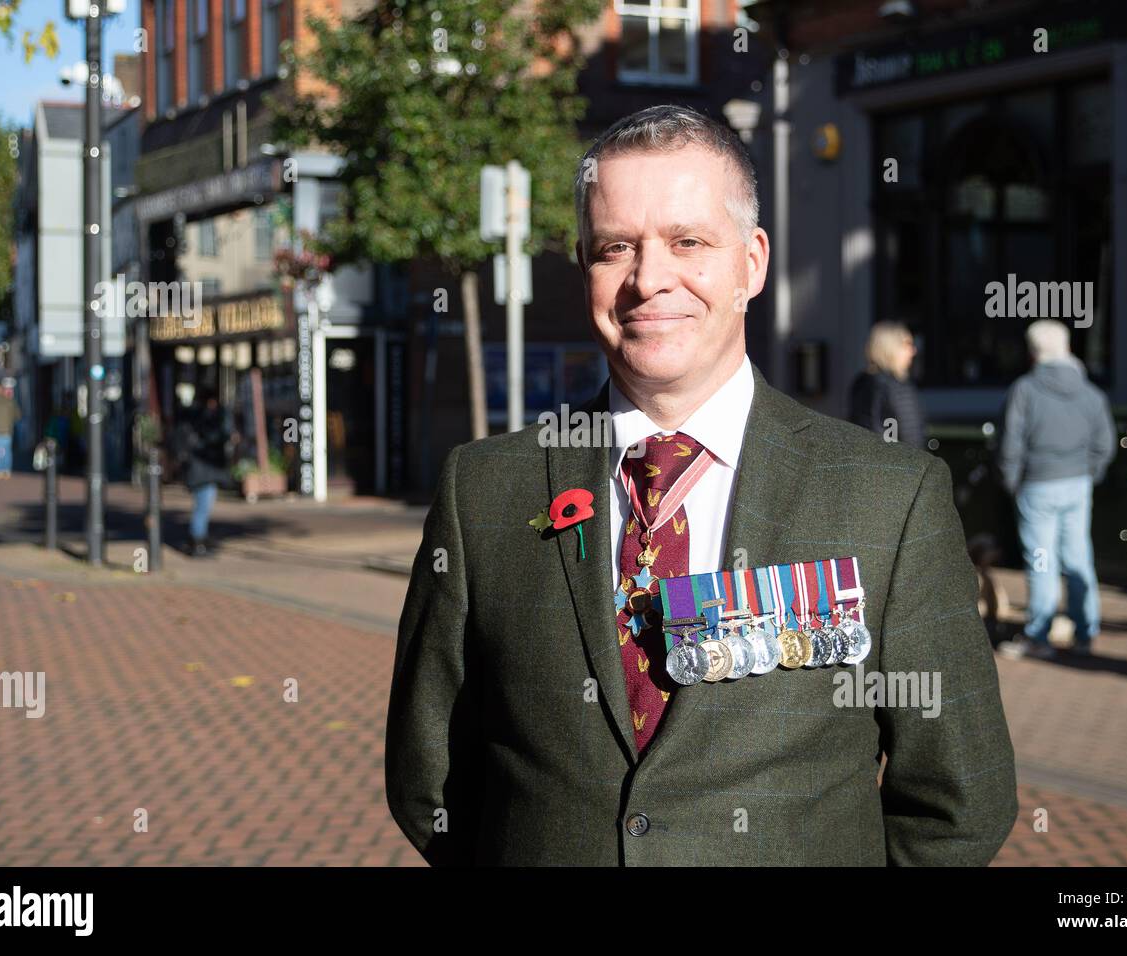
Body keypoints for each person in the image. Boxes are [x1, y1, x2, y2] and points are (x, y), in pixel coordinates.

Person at [385, 105, 1017, 866]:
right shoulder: (482, 491)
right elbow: (430, 779)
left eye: (688, 242)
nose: (651, 280)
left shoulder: (891, 497)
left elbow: (960, 800)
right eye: (617, 248)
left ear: (752, 262)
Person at [997, 320, 1115, 660]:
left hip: (1037, 485)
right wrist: (1089, 473)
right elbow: (1105, 444)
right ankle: (1085, 633)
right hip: (1077, 484)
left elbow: (1010, 444)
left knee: (1041, 561)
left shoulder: (1025, 389)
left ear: (1034, 352)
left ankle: (1039, 636)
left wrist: (1011, 481)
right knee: (1079, 558)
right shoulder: (1091, 393)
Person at [848, 321, 926, 447]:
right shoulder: (882, 386)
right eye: (907, 344)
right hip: (895, 462)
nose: (913, 351)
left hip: (905, 461)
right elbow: (910, 435)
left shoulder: (864, 383)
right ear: (890, 347)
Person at [177, 390, 229, 557]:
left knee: (201, 507)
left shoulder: (190, 417)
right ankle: (197, 543)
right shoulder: (204, 420)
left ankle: (198, 541)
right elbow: (213, 439)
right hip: (202, 472)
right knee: (202, 508)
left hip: (197, 471)